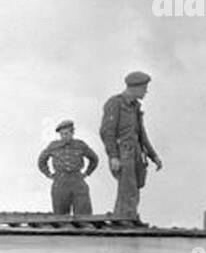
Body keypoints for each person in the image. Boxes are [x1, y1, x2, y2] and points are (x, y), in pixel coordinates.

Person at [99, 71, 162, 221]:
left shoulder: (135, 107)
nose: (146, 91)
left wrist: (153, 156)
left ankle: (128, 216)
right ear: (135, 88)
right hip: (123, 152)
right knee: (128, 187)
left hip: (136, 152)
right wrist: (113, 156)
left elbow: (141, 134)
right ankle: (124, 218)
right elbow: (107, 132)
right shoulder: (115, 103)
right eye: (144, 88)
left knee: (135, 185)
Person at [38, 119, 98, 215]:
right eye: (62, 134)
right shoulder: (53, 146)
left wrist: (87, 173)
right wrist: (49, 174)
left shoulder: (80, 145)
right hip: (60, 182)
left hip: (77, 181)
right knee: (61, 216)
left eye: (66, 133)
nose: (64, 136)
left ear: (72, 133)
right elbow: (41, 161)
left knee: (83, 214)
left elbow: (94, 159)